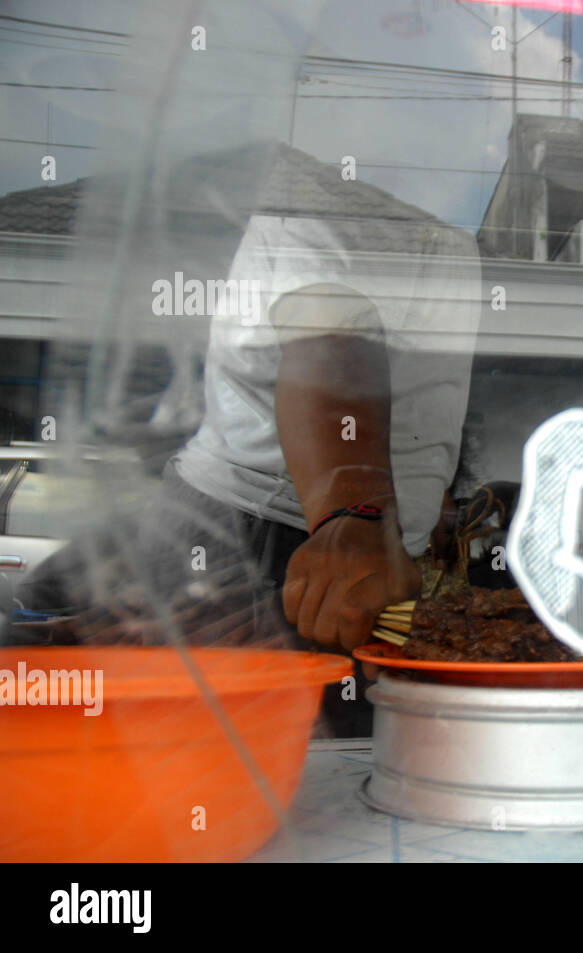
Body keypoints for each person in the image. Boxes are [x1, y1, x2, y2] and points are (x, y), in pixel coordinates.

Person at [12, 144, 478, 702]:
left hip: (323, 548)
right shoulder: (328, 190)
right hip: (288, 539)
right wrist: (353, 514)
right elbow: (328, 338)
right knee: (273, 763)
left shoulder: (436, 223)